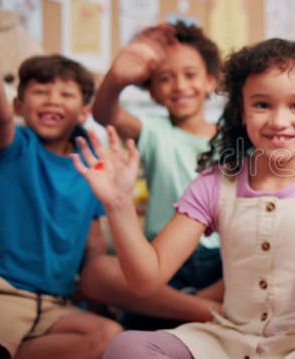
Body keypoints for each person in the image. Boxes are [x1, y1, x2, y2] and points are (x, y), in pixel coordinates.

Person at [73, 38, 295, 358]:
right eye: (262, 105)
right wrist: (119, 205)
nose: (279, 121)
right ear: (242, 112)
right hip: (228, 338)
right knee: (127, 347)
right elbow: (146, 280)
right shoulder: (215, 183)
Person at [0, 15, 122, 359]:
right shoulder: (13, 145)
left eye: (65, 94)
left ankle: (10, 346)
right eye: (40, 91)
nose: (52, 100)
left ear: (84, 113)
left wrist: (97, 304)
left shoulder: (92, 165)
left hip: (54, 306)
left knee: (110, 337)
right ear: (20, 106)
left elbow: (95, 244)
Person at [80, 21, 223, 329]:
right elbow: (104, 115)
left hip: (222, 265)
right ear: (153, 91)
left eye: (190, 74)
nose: (180, 86)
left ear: (210, 81)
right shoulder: (157, 132)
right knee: (97, 273)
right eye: (165, 78)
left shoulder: (234, 137)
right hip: (159, 259)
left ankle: (177, 308)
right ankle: (208, 312)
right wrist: (117, 79)